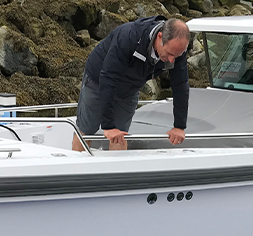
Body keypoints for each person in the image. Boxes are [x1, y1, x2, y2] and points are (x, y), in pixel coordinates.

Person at [72, 16, 190, 151]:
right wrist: (108, 126)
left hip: (130, 89)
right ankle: (76, 167)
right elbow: (108, 78)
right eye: (169, 53)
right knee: (87, 130)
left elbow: (180, 85)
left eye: (176, 55)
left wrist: (179, 126)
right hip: (98, 81)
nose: (171, 60)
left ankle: (118, 171)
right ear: (159, 37)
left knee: (121, 134)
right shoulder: (129, 36)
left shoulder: (177, 51)